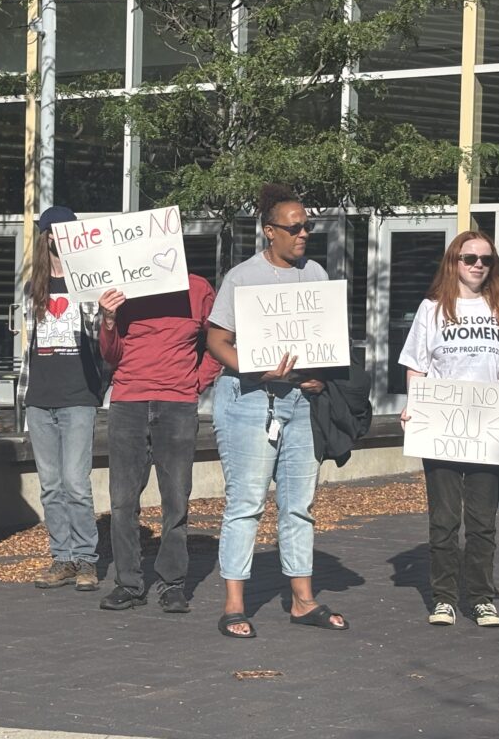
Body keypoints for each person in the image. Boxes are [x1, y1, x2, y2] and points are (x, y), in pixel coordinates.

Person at [208, 184, 348, 638]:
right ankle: (234, 605)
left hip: (303, 405)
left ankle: (303, 601)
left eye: (307, 225)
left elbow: (323, 344)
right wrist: (256, 370)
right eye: (294, 227)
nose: (304, 233)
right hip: (249, 402)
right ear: (270, 232)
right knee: (246, 504)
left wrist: (318, 376)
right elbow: (215, 341)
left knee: (299, 506)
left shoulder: (317, 276)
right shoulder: (241, 278)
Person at [399, 230, 499, 628]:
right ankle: (444, 597)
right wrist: (414, 405)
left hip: (487, 430)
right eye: (469, 258)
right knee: (444, 518)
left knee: (483, 520)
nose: (477, 265)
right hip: (442, 428)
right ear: (454, 261)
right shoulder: (431, 309)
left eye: (485, 260)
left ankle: (481, 597)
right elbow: (416, 366)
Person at [97, 271, 220, 613]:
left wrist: (198, 381)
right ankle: (128, 584)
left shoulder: (198, 288)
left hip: (177, 404)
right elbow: (110, 354)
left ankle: (173, 584)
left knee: (176, 499)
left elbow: (220, 340)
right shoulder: (122, 289)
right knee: (122, 501)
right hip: (128, 402)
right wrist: (107, 318)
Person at [19, 206, 109, 593]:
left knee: (76, 482)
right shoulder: (32, 287)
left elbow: (101, 340)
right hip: (40, 397)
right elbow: (29, 346)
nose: (62, 238)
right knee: (51, 485)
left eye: (69, 232)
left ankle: (87, 559)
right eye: (55, 232)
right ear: (47, 238)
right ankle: (63, 557)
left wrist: (106, 314)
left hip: (78, 396)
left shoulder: (89, 284)